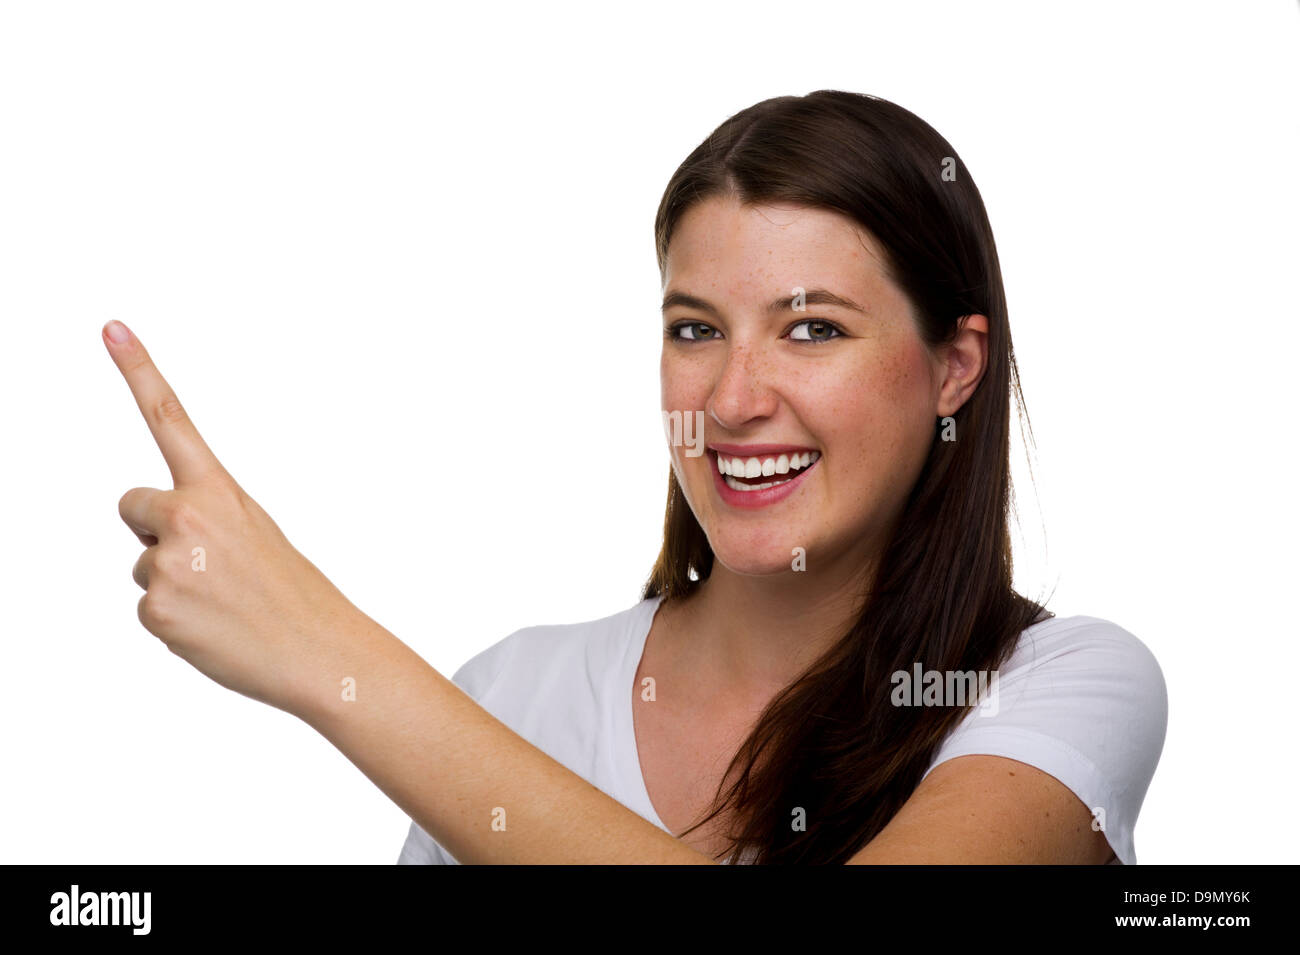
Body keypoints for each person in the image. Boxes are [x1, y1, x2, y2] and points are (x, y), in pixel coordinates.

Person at [106, 90, 1167, 865]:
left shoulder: (1058, 693)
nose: (735, 397)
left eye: (811, 328)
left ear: (953, 368)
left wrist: (323, 652)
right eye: (695, 328)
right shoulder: (510, 696)